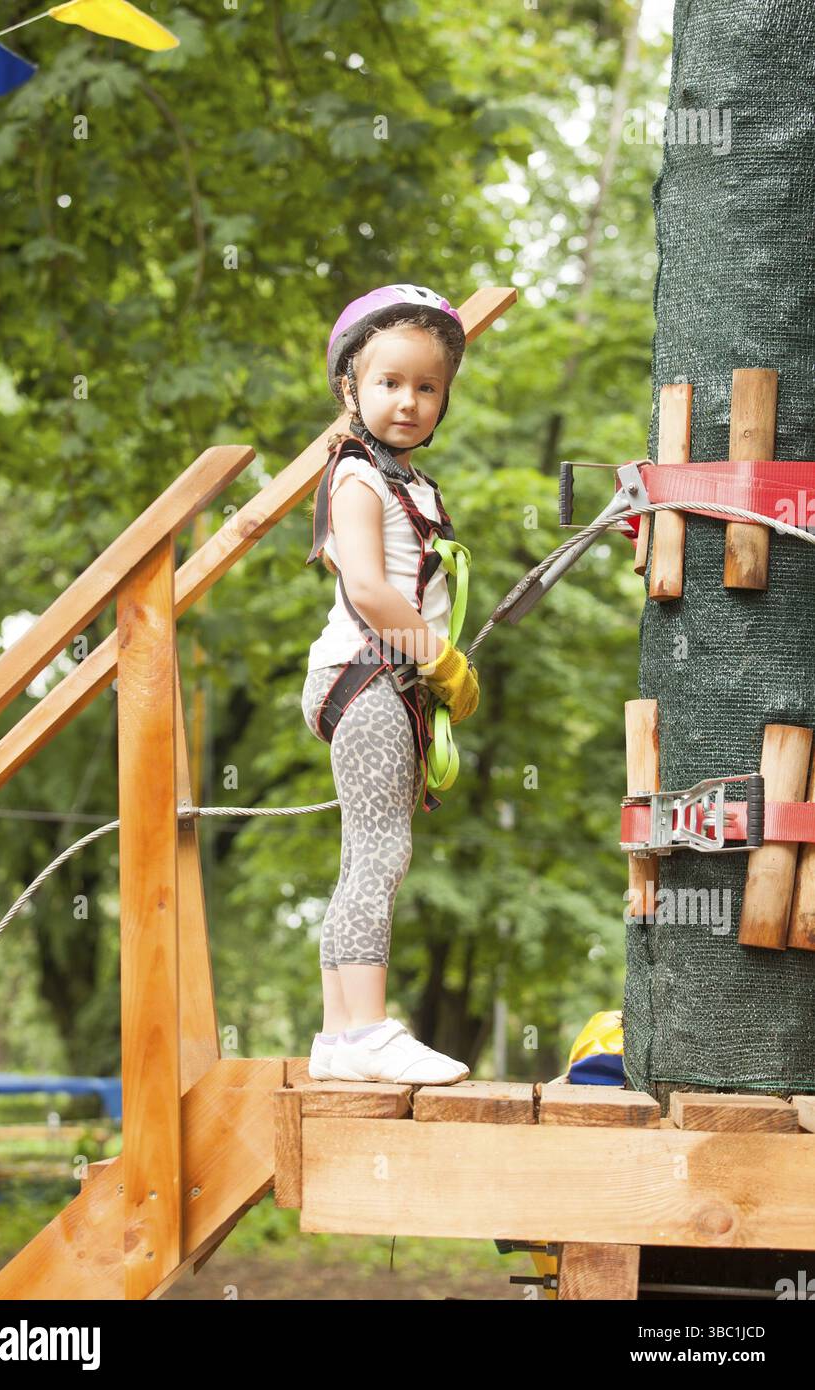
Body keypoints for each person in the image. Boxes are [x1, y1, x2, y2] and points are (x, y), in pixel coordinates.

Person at [300, 283, 480, 1085]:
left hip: (388, 681)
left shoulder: (411, 485)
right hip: (369, 675)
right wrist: (440, 659)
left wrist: (434, 674)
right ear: (351, 388)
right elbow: (370, 589)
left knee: (362, 856)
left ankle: (340, 1037)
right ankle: (369, 1027)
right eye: (389, 383)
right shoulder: (358, 480)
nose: (408, 401)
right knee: (382, 851)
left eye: (426, 386)